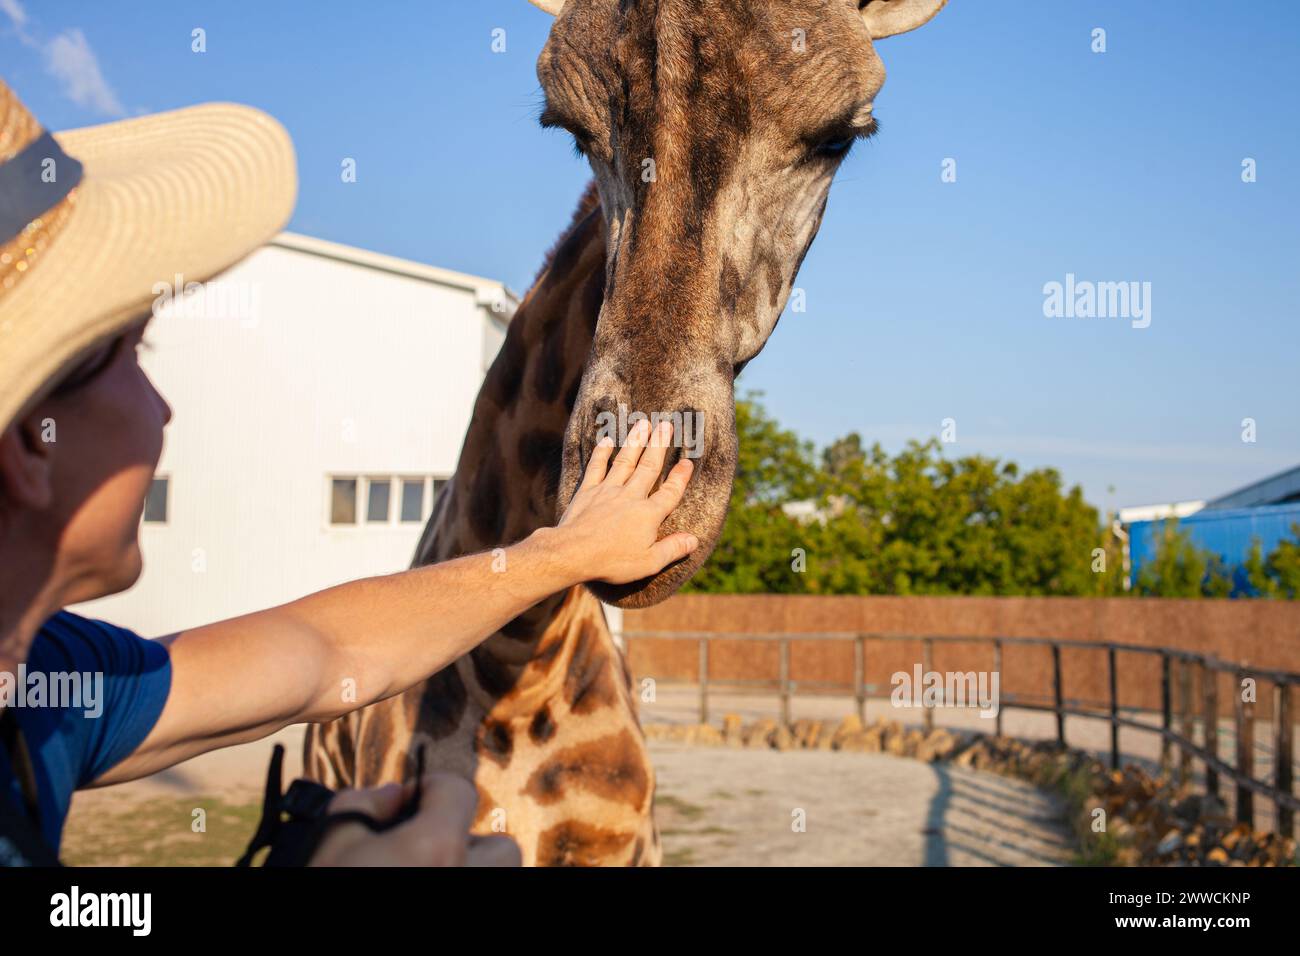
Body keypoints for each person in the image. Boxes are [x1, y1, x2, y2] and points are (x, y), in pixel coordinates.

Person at [0, 80, 698, 866]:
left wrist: (563, 553)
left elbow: (325, 651)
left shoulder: (46, 683)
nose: (161, 408)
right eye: (135, 354)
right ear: (32, 440)